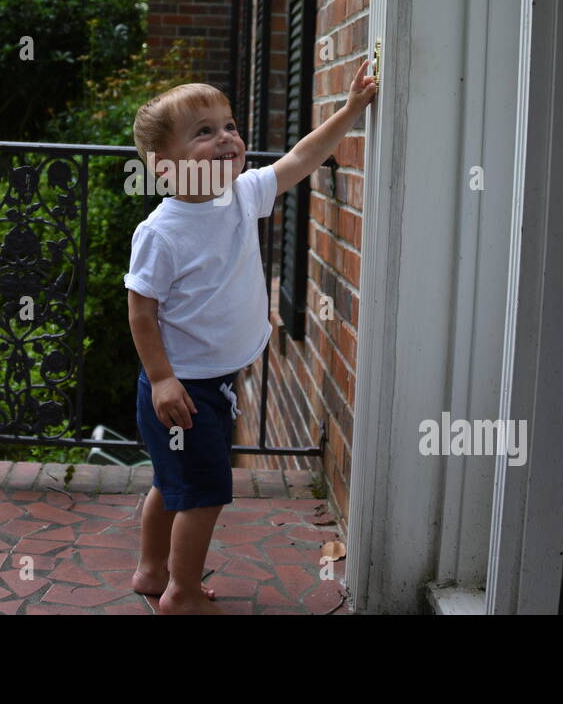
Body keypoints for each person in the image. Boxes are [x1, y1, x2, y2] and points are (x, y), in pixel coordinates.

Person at [124, 57, 377, 614]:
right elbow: (140, 312)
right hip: (183, 391)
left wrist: (352, 110)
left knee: (173, 482)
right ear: (163, 167)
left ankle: (151, 570)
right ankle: (181, 593)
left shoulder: (242, 196)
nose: (227, 139)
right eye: (205, 132)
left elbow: (302, 157)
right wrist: (162, 379)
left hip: (211, 383)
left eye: (230, 126)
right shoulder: (161, 232)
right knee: (204, 492)